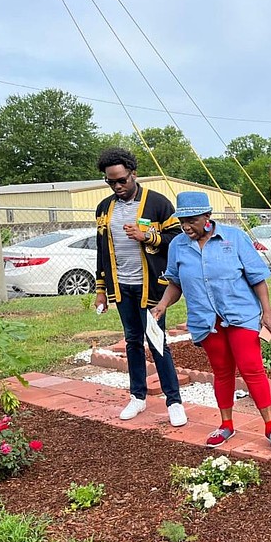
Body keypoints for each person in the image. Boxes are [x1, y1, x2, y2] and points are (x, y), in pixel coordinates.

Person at [151, 192, 271, 452]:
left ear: (207, 217)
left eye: (191, 220)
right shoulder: (178, 245)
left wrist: (267, 313)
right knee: (222, 373)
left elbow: (257, 278)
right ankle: (226, 424)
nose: (186, 227)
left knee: (252, 369)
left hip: (241, 315)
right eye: (182, 221)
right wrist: (161, 305)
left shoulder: (234, 238)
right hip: (205, 321)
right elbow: (176, 284)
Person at [94, 147, 187, 427]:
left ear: (134, 174)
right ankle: (138, 396)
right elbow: (101, 250)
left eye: (122, 180)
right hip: (122, 287)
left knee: (157, 341)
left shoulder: (157, 203)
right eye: (111, 182)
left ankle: (174, 401)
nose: (117, 186)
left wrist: (148, 236)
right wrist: (101, 289)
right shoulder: (104, 209)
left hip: (152, 287)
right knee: (132, 341)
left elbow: (177, 238)